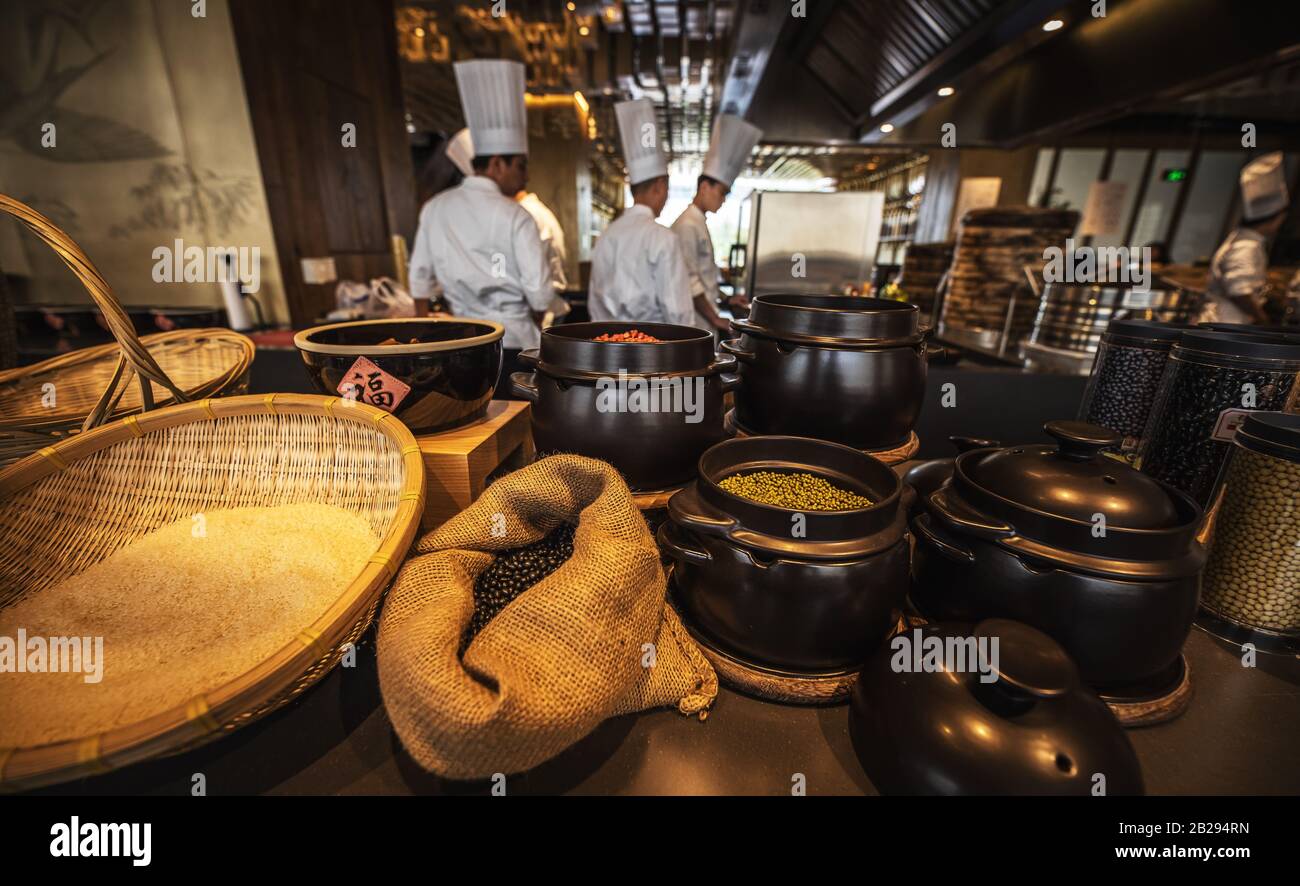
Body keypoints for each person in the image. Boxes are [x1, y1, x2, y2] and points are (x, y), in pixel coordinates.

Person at [407, 61, 551, 397]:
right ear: (498, 164)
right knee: (517, 430)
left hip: (462, 347)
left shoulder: (435, 209)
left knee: (473, 426)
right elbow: (541, 295)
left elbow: (419, 282)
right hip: (515, 346)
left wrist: (422, 338)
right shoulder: (516, 216)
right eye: (521, 166)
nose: (525, 176)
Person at [588, 99, 699, 328]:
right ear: (659, 186)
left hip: (609, 347)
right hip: (652, 350)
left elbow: (595, 304)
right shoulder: (663, 238)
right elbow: (678, 313)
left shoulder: (607, 235)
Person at [671, 114, 763, 332]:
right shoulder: (686, 225)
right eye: (722, 193)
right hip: (693, 323)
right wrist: (714, 318)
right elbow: (690, 282)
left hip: (703, 321)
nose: (723, 200)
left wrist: (726, 299)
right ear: (704, 187)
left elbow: (706, 280)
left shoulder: (698, 222)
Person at [1199, 152, 1289, 325]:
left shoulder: (1241, 240)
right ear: (1275, 218)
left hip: (1222, 322)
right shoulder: (1246, 246)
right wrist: (1262, 319)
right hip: (1228, 324)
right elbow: (1238, 291)